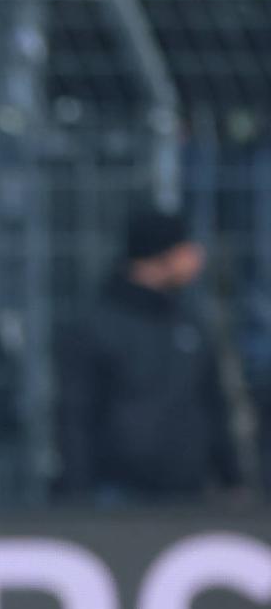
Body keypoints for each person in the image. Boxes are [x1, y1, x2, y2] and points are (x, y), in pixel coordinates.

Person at [61, 209, 240, 504]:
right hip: (116, 495)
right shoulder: (95, 325)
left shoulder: (190, 321)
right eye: (186, 248)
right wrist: (78, 493)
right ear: (161, 254)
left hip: (190, 493)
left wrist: (232, 478)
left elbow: (213, 405)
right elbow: (75, 416)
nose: (197, 256)